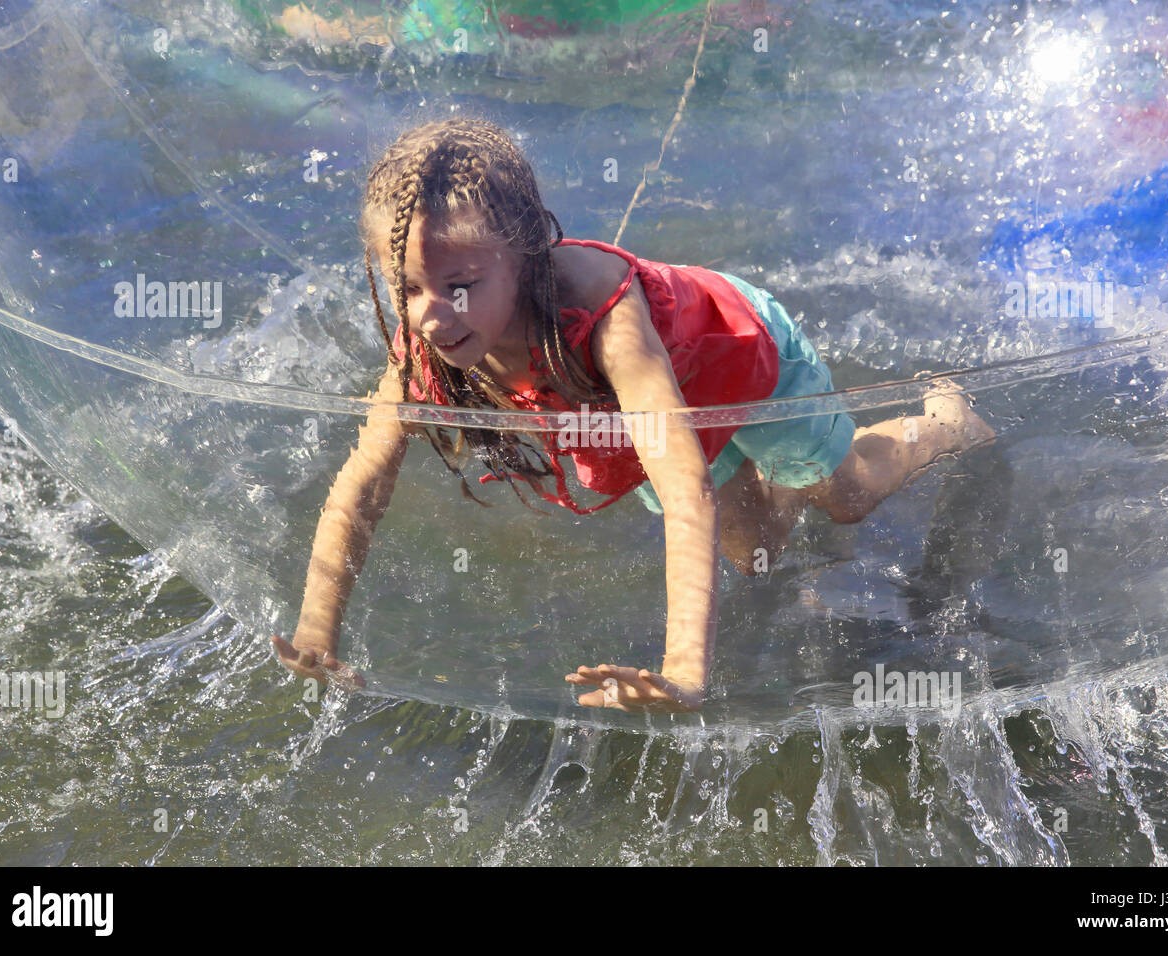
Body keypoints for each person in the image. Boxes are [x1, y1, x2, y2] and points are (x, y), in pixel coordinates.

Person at [271, 117, 994, 712]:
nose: (431, 315)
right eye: (407, 289)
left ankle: (945, 422)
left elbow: (683, 488)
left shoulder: (603, 316)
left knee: (850, 497)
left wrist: (682, 671)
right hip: (660, 414)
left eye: (459, 285)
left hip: (743, 360)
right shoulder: (425, 351)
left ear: (524, 257)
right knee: (757, 553)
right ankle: (783, 481)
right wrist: (317, 635)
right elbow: (362, 485)